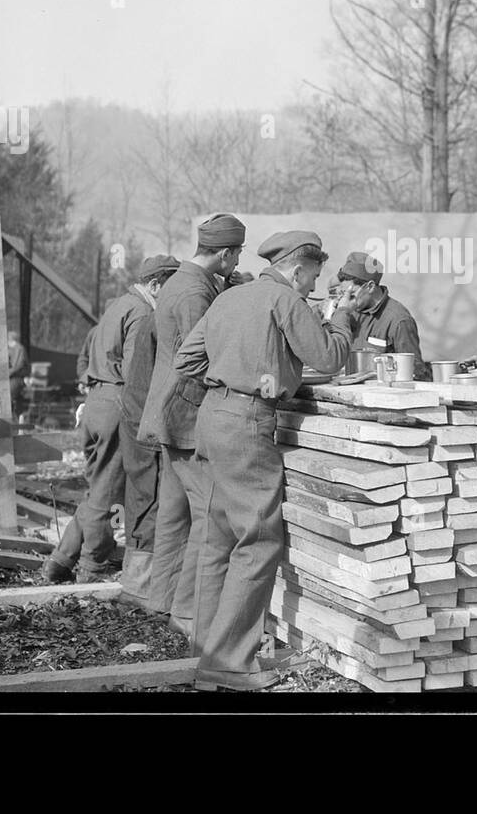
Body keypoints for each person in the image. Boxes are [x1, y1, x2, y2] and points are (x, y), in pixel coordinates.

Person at [173, 230, 357, 690]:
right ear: (297, 269)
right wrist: (344, 319)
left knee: (218, 540)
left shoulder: (229, 298)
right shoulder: (284, 299)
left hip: (212, 419)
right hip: (247, 423)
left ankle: (206, 649)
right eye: (313, 277)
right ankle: (229, 665)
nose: (313, 286)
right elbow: (330, 357)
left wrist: (231, 379)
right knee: (256, 542)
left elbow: (186, 361)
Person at [137, 214, 247, 627]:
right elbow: (200, 357)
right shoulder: (194, 294)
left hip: (168, 411)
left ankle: (161, 598)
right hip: (184, 415)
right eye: (236, 255)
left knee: (174, 512)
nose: (236, 263)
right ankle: (187, 611)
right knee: (208, 516)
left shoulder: (183, 282)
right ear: (224, 253)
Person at [43, 255, 177, 585]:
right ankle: (90, 569)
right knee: (109, 493)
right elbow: (137, 371)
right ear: (156, 285)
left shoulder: (119, 304)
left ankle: (59, 561)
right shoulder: (144, 311)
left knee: (98, 489)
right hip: (118, 404)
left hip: (96, 401)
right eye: (170, 287)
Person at [116, 255, 182, 612]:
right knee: (151, 503)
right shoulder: (160, 318)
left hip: (136, 417)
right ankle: (141, 590)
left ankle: (138, 588)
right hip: (146, 424)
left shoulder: (149, 314)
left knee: (142, 499)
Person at [336, 251, 428, 380]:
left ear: (370, 287)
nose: (346, 301)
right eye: (342, 294)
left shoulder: (398, 320)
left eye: (351, 295)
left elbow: (415, 372)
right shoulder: (350, 311)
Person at [7, 330, 30, 417]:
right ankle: (18, 416)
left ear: (10, 340)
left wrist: (9, 373)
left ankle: (14, 418)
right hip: (12, 378)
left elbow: (20, 365)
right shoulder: (11, 350)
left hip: (17, 378)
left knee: (9, 395)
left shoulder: (19, 349)